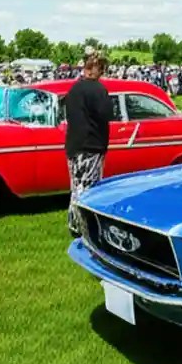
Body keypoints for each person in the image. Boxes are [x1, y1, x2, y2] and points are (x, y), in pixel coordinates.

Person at [64, 52, 112, 236]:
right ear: (98, 69)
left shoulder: (74, 89)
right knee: (88, 188)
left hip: (73, 144)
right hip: (91, 144)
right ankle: (85, 229)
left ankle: (74, 224)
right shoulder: (98, 90)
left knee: (75, 187)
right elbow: (107, 114)